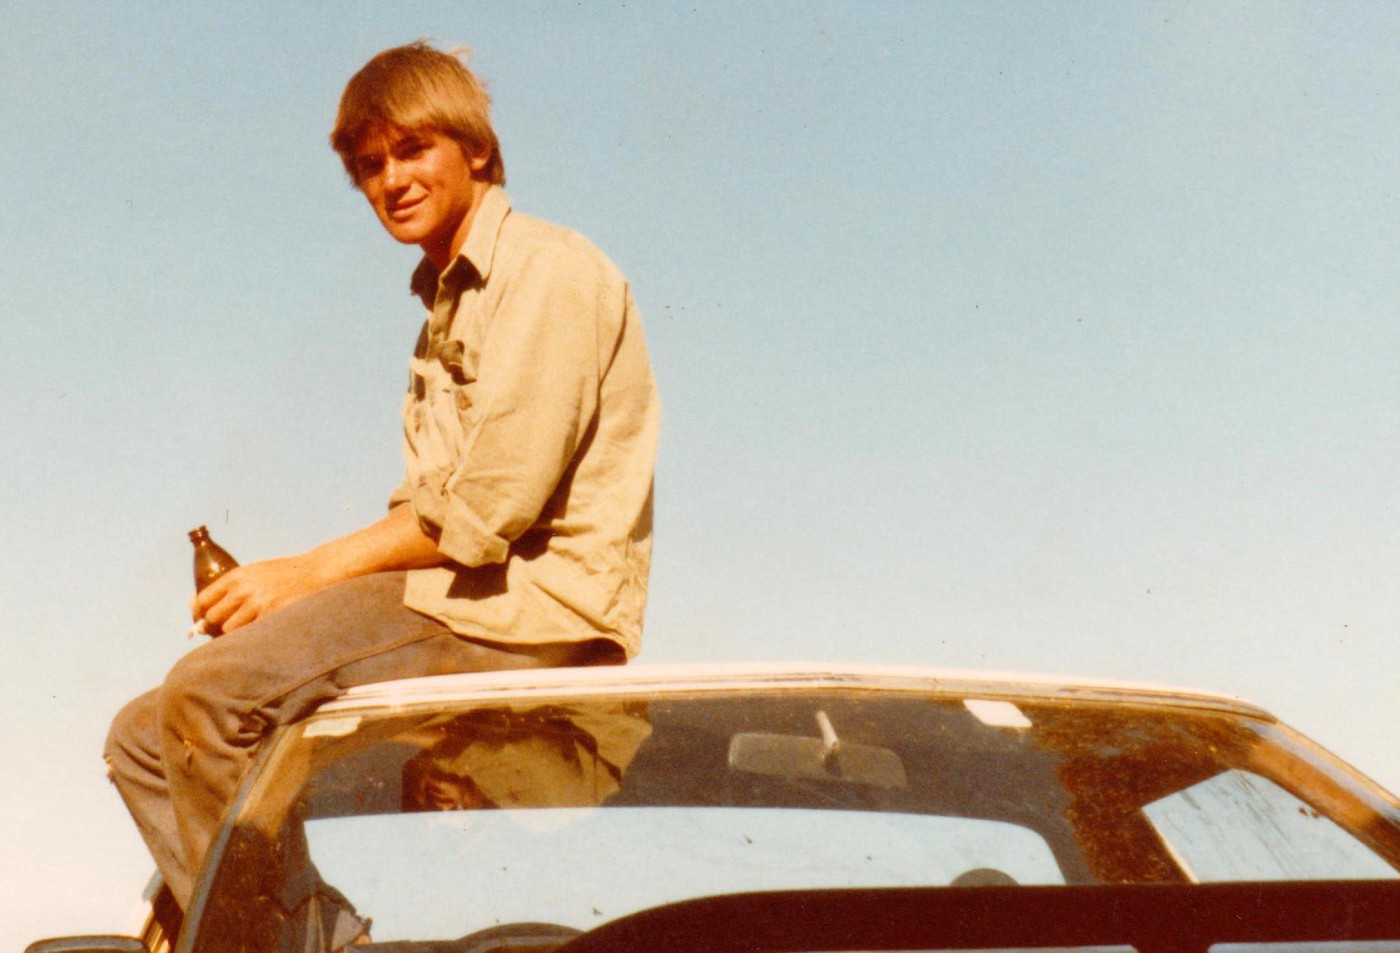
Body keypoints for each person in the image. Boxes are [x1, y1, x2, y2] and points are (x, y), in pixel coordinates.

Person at [104, 41, 660, 917]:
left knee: (206, 696)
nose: (390, 180)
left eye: (412, 150)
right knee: (143, 736)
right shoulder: (445, 304)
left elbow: (482, 512)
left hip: (523, 609)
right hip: (456, 597)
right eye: (369, 166)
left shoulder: (548, 270)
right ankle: (303, 931)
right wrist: (292, 600)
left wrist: (300, 576)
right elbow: (430, 503)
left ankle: (289, 944)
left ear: (475, 149)